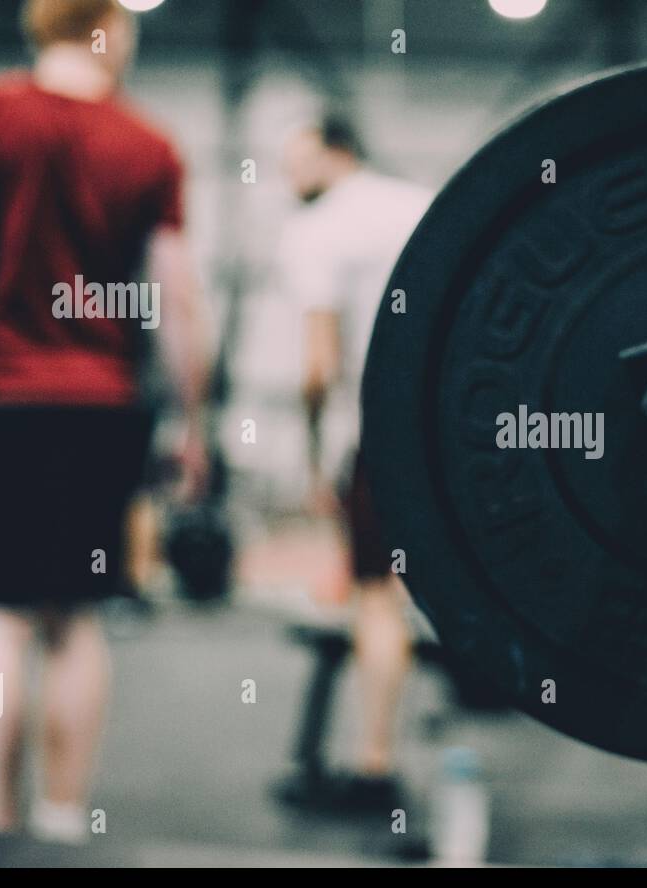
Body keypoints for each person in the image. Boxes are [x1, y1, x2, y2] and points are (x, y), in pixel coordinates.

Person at [0, 0, 207, 842]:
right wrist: (195, 425)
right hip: (105, 409)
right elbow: (179, 298)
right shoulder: (151, 144)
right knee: (74, 617)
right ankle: (65, 826)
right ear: (113, 28)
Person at [279, 115, 432, 810]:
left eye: (297, 159)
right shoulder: (418, 203)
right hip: (444, 425)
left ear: (337, 153)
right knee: (398, 590)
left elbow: (318, 366)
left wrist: (313, 456)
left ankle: (375, 765)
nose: (288, 174)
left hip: (380, 430)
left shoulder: (319, 228)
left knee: (375, 597)